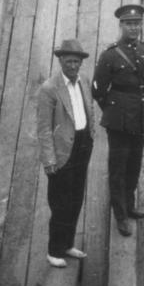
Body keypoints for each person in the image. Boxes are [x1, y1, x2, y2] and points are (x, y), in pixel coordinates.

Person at [92, 4, 144, 237]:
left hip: (141, 116)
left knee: (135, 163)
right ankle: (120, 215)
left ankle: (129, 206)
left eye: (137, 23)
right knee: (118, 167)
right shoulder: (110, 55)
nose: (134, 27)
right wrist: (113, 110)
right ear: (121, 25)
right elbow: (98, 89)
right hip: (119, 120)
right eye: (129, 23)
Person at [35, 39, 95, 268]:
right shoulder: (49, 89)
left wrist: (90, 137)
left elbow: (88, 109)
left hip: (82, 145)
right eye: (69, 61)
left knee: (76, 199)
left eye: (77, 62)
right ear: (60, 61)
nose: (73, 66)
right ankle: (54, 250)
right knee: (60, 203)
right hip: (62, 152)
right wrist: (49, 160)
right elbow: (43, 129)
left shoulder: (84, 81)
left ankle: (68, 245)